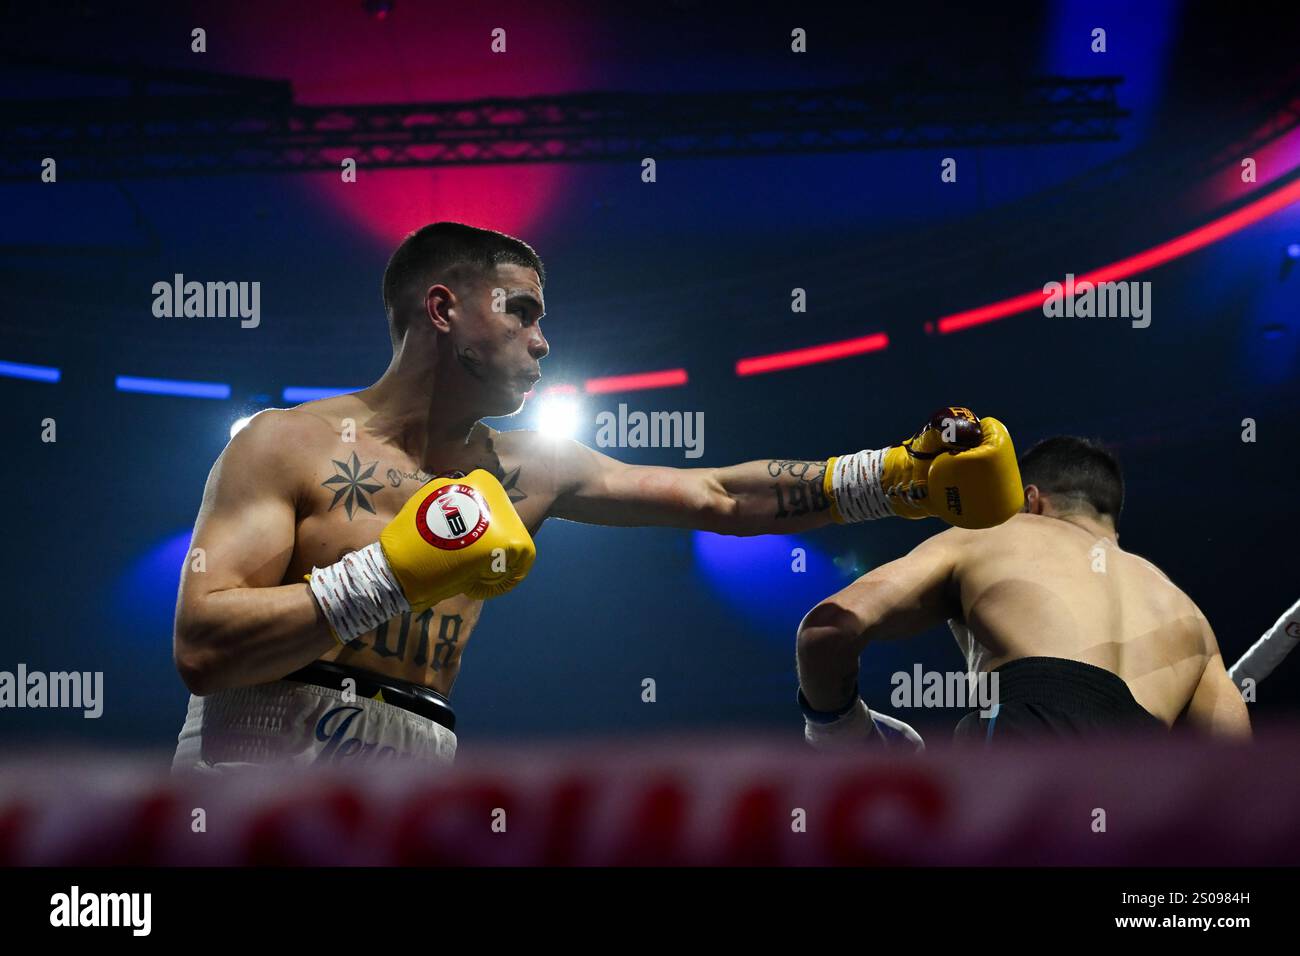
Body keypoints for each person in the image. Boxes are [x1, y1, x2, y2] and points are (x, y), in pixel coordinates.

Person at [171, 221, 1021, 772]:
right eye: (523, 312)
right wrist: (391, 572)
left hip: (418, 749)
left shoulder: (530, 465)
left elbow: (718, 496)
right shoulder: (283, 442)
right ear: (444, 307)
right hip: (255, 751)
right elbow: (203, 648)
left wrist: (896, 478)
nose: (543, 342)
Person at [795, 435, 1251, 746]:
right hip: (1142, 802)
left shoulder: (993, 535)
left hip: (1028, 762)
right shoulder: (1190, 617)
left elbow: (827, 628)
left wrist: (842, 732)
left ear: (1030, 500)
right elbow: (1239, 780)